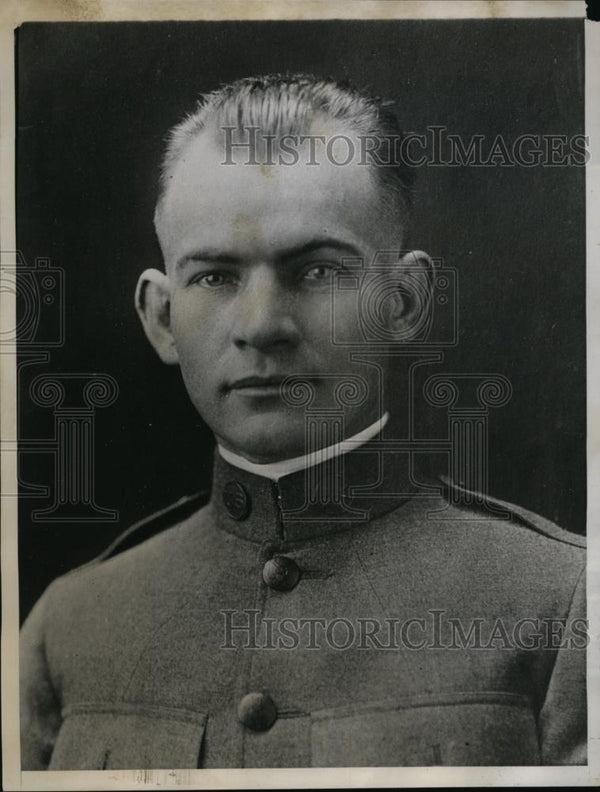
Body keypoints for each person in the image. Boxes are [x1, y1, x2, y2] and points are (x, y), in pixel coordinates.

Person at [20, 74, 586, 769]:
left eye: (317, 271)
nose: (262, 327)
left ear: (404, 302)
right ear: (161, 318)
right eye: (215, 277)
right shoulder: (67, 628)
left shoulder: (562, 607)